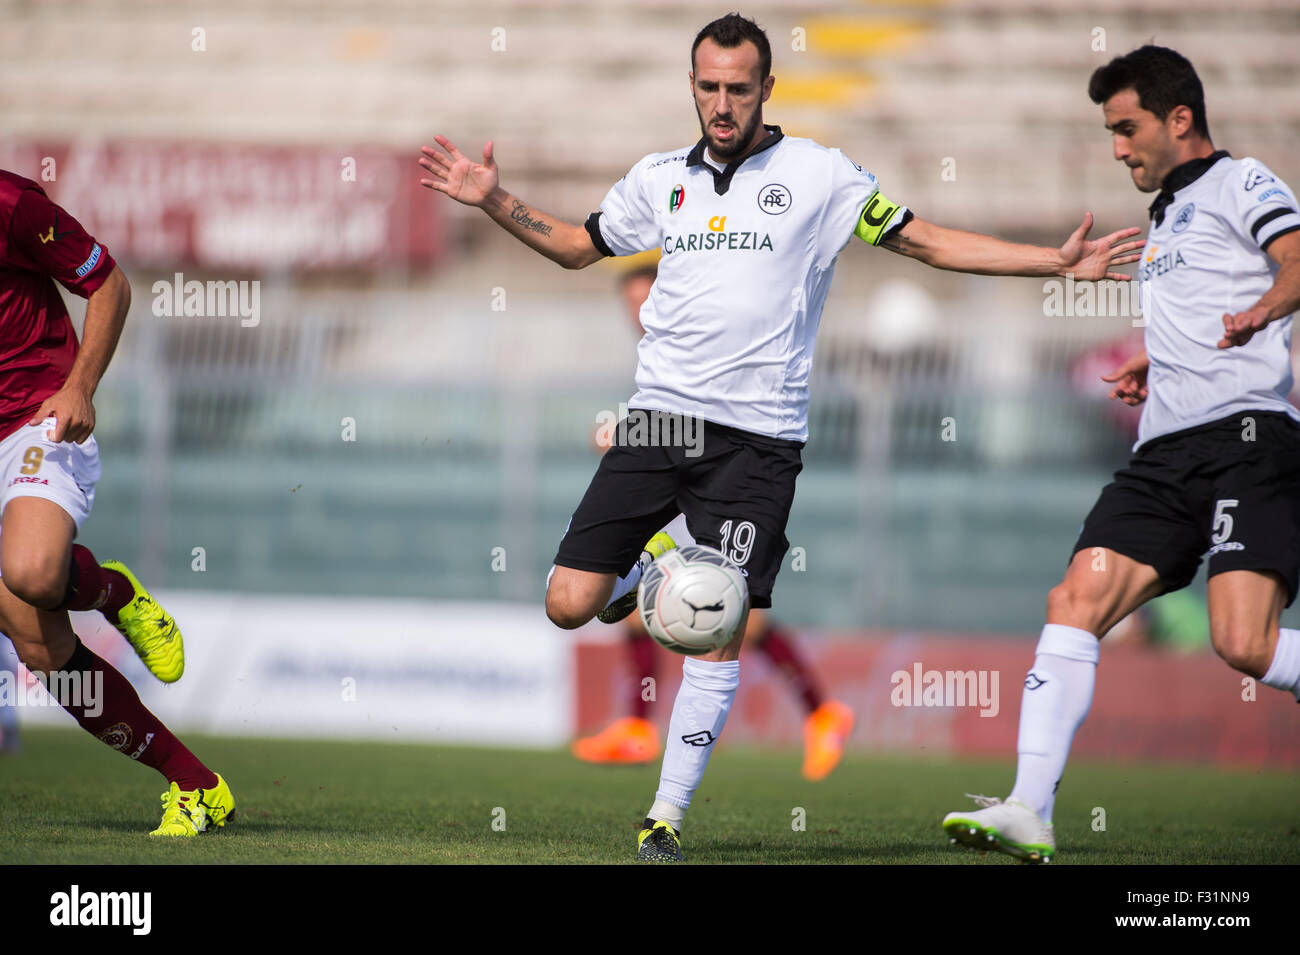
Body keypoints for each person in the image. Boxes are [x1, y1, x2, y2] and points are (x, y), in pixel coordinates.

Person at [420, 14, 1140, 862]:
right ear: (692, 86)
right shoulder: (658, 178)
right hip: (658, 422)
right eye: (708, 87)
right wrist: (494, 199)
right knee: (567, 603)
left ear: (768, 88)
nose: (722, 104)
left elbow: (926, 240)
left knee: (720, 621)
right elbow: (580, 248)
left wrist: (1052, 264)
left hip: (758, 441)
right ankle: (652, 563)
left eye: (738, 87)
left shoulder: (820, 175)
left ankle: (665, 819)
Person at [943, 45, 1300, 864]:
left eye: (1127, 127)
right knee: (1075, 597)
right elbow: (1198, 306)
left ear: (1180, 119)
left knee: (1243, 644)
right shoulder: (1165, 215)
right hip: (1164, 454)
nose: (1117, 148)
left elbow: (1294, 261)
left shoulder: (1244, 183)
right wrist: (1156, 360)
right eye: (1110, 131)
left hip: (1249, 440)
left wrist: (1259, 314)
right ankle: (1030, 807)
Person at [0, 169, 234, 835]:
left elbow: (109, 283)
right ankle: (196, 783)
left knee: (35, 573)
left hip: (37, 418)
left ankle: (110, 591)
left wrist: (81, 387)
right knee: (41, 649)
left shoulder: (11, 205)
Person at [572, 262, 855, 780]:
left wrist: (637, 438)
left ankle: (821, 713)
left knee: (725, 612)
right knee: (669, 608)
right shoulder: (659, 352)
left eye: (646, 298)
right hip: (677, 483)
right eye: (631, 302)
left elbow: (707, 424)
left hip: (719, 479)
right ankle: (641, 727)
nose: (639, 311)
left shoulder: (705, 345)